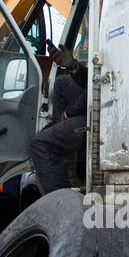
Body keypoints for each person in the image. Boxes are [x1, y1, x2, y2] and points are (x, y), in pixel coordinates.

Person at [28, 43, 88, 193]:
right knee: (61, 82)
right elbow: (93, 80)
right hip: (97, 102)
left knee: (40, 144)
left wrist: (70, 112)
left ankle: (62, 201)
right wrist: (74, 66)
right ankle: (66, 157)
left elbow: (97, 86)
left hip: (102, 113)